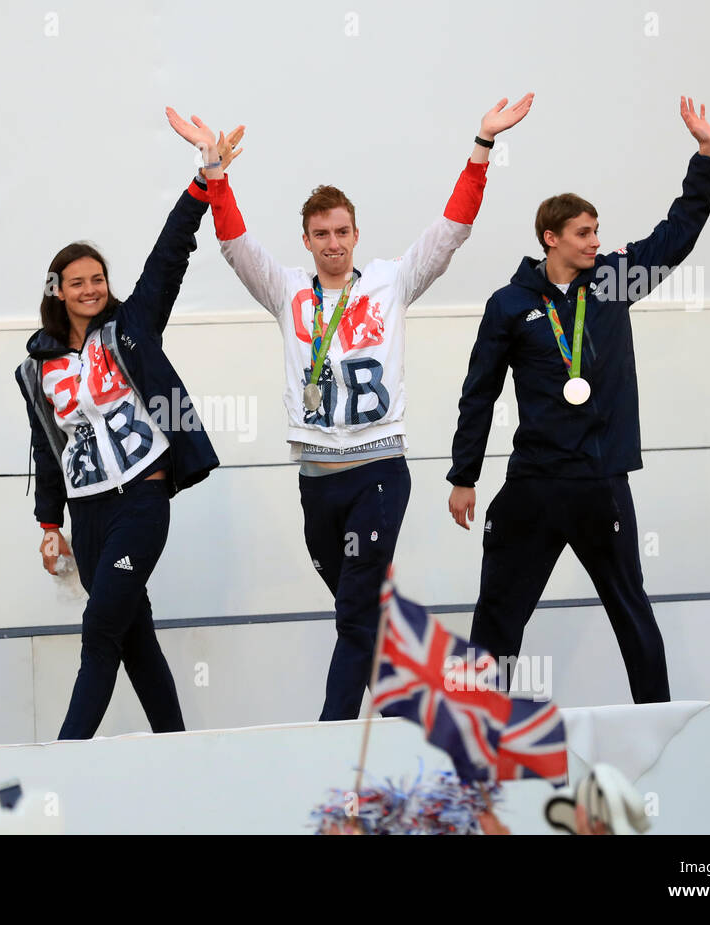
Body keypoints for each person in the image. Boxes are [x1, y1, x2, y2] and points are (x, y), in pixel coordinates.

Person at [188, 95, 534, 720]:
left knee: (353, 611)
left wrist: (482, 145)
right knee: (364, 619)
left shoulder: (389, 281)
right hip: (316, 477)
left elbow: (450, 231)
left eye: (341, 232)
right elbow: (236, 244)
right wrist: (216, 175)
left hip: (379, 470)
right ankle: (420, 725)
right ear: (306, 239)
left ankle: (331, 736)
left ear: (356, 233)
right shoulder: (288, 289)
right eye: (320, 234)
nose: (331, 244)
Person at [446, 97, 710, 704]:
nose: (597, 241)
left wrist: (705, 155)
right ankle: (476, 735)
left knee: (632, 613)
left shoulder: (614, 282)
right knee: (497, 618)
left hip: (601, 482)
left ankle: (658, 720)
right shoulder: (510, 305)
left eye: (597, 231)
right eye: (584, 233)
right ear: (552, 238)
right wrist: (464, 476)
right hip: (536, 482)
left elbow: (676, 235)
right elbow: (479, 394)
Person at [15, 111, 237, 740]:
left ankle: (63, 756)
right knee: (136, 639)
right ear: (57, 291)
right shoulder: (35, 367)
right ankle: (178, 747)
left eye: (98, 279)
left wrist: (204, 178)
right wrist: (48, 524)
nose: (89, 289)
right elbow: (47, 448)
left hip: (141, 497)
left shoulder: (132, 327)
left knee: (100, 629)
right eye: (76, 283)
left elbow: (170, 255)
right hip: (85, 515)